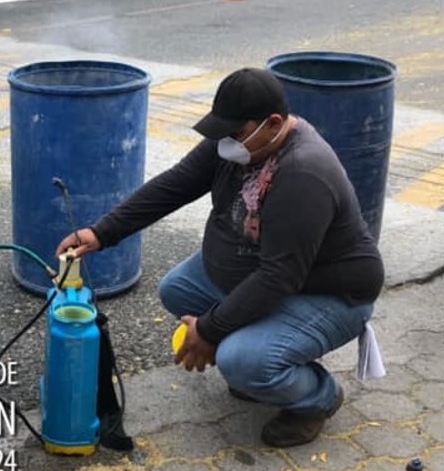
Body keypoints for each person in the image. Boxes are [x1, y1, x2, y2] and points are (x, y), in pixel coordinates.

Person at [55, 68, 384, 448]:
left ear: (273, 123)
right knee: (177, 289)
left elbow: (279, 276)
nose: (226, 142)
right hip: (268, 274)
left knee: (241, 361)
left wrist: (211, 329)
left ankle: (317, 397)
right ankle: (261, 361)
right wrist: (102, 232)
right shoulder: (242, 144)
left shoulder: (303, 172)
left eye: (236, 133)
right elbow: (175, 184)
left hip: (331, 295)